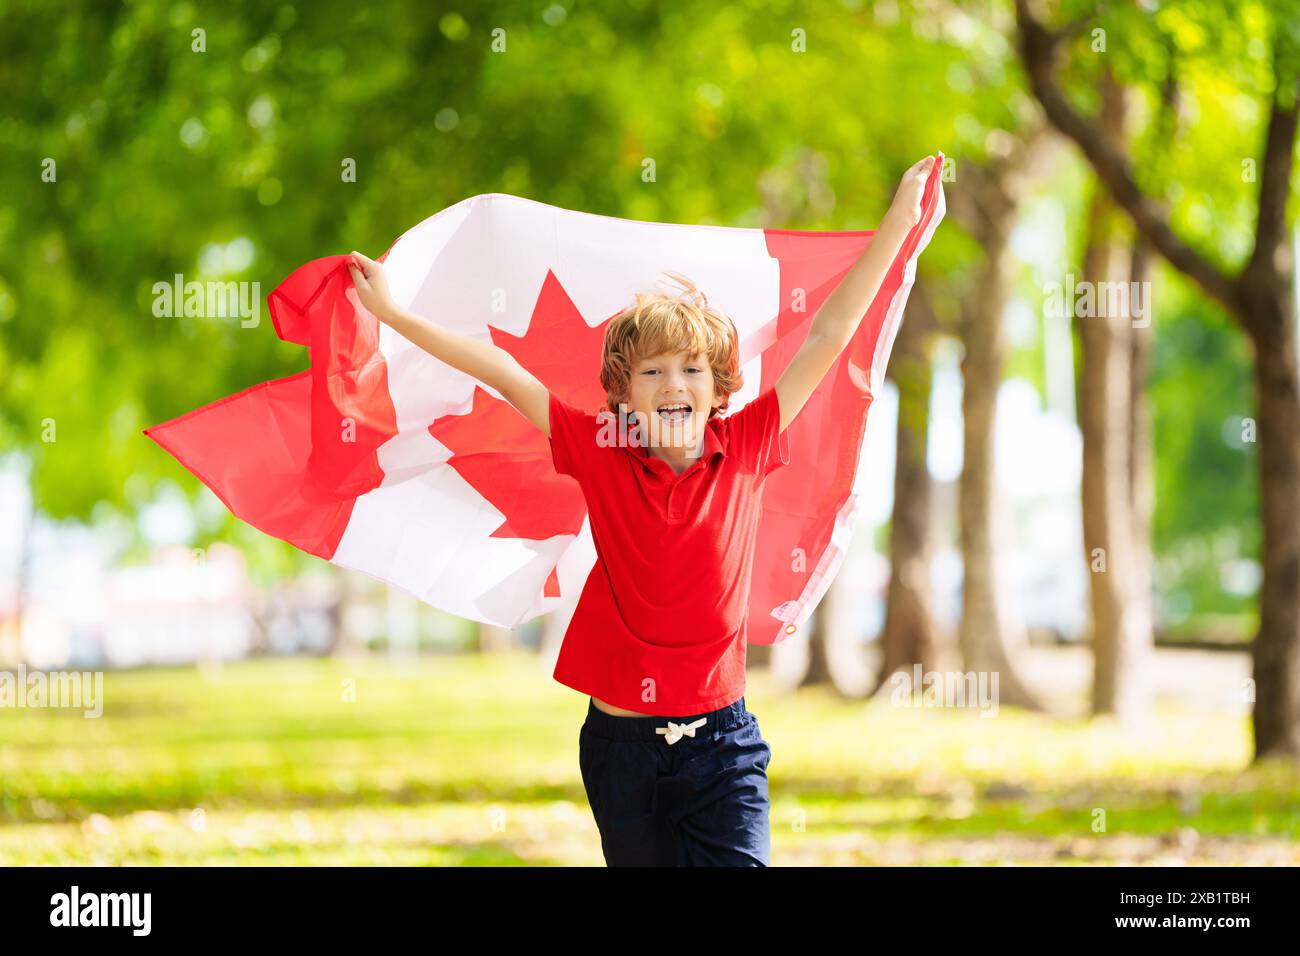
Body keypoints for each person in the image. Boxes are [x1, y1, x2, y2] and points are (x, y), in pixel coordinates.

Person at [346, 155, 935, 866]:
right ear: (622, 397)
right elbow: (503, 372)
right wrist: (393, 313)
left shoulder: (746, 442)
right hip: (623, 751)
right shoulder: (601, 448)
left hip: (723, 745)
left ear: (720, 390)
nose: (672, 384)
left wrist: (897, 226)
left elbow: (829, 334)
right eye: (651, 372)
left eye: (690, 369)